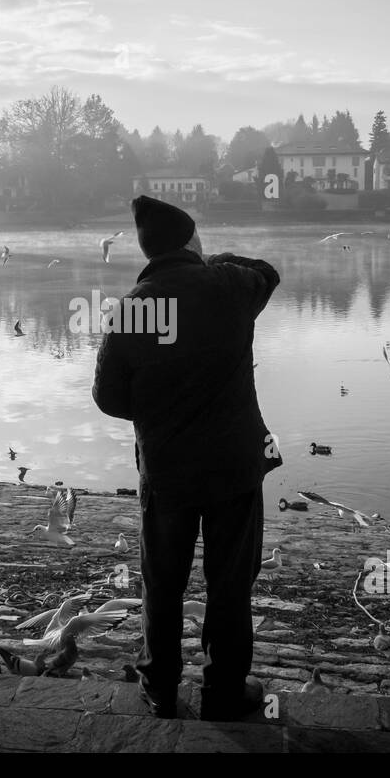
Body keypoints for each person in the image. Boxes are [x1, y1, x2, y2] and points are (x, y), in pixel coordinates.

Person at [92, 195, 281, 721]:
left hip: (167, 469)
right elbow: (266, 271)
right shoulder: (228, 287)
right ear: (192, 242)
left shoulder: (131, 308)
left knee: (163, 582)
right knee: (229, 584)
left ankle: (159, 690)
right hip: (234, 468)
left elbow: (108, 398)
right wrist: (208, 261)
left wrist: (155, 413)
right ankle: (223, 694)